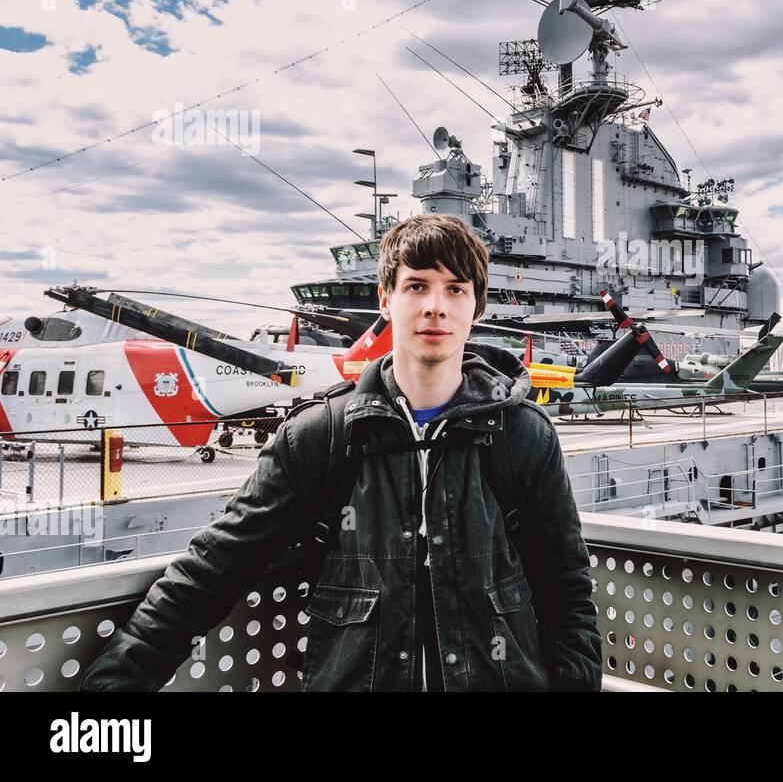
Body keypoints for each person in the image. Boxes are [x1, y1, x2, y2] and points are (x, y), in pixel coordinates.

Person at [80, 213, 601, 692]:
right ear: (385, 300)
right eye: (416, 285)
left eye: (455, 289)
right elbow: (211, 570)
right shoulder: (321, 437)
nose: (435, 305)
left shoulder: (522, 435)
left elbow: (566, 593)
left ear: (476, 306)